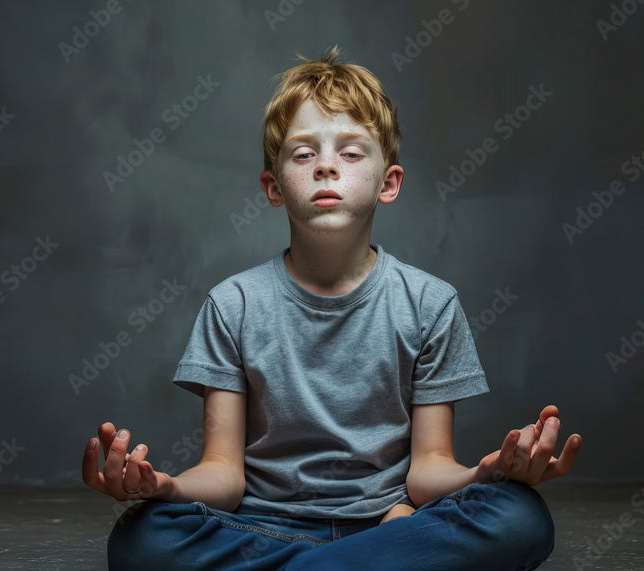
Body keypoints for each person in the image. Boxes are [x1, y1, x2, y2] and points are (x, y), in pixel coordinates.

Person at [81, 46, 582, 570]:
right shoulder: (233, 305)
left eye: (351, 153)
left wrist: (486, 473)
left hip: (389, 518)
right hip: (268, 528)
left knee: (520, 516)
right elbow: (223, 474)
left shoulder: (430, 303)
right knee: (144, 536)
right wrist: (167, 487)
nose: (325, 165)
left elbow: (429, 469)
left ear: (388, 182)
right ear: (274, 187)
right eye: (303, 154)